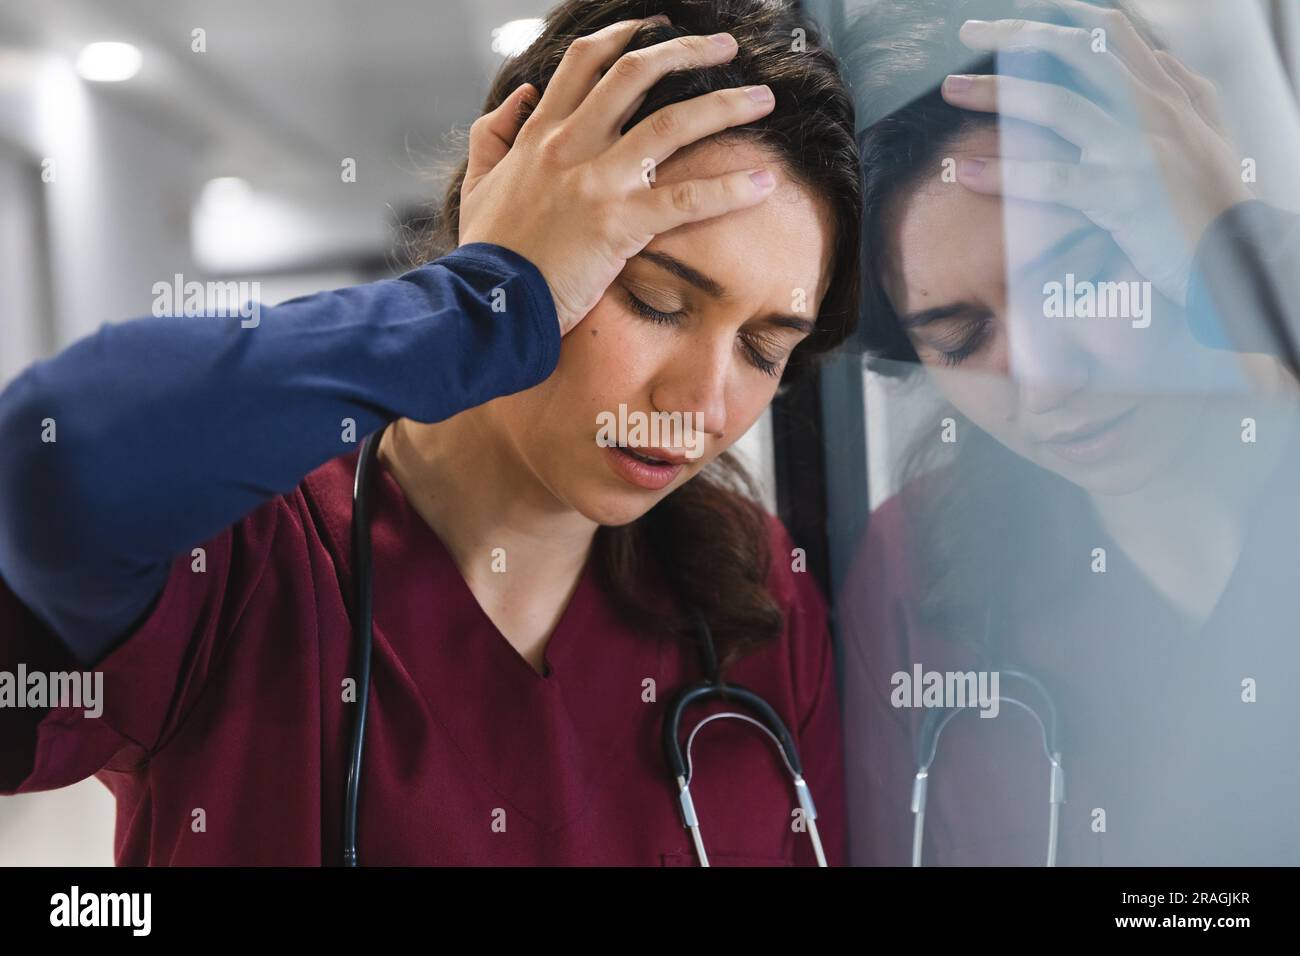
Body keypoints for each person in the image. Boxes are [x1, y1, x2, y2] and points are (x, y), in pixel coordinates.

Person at [0, 0, 861, 866]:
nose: (703, 407)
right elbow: (56, 459)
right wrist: (473, 305)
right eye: (655, 301)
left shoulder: (753, 599)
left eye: (763, 348)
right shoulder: (248, 555)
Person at [839, 0, 1300, 865]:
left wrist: (1239, 248)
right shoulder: (913, 573)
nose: (1047, 383)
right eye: (959, 339)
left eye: (1082, 285)